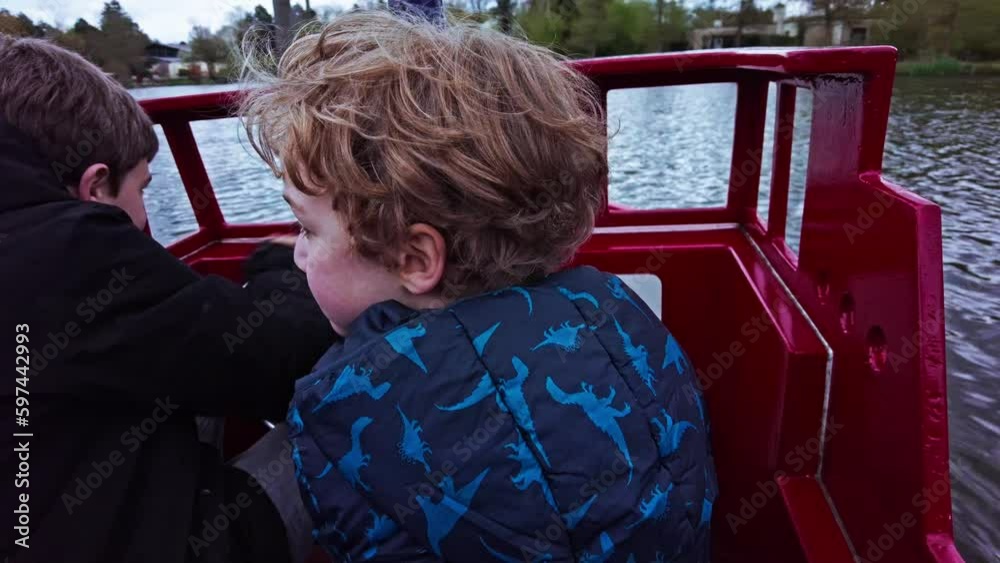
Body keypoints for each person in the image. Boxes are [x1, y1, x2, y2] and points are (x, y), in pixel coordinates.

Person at [240, 11, 717, 562]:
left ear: (416, 258)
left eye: (307, 229)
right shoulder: (619, 317)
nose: (297, 253)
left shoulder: (347, 424)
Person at [0, 36, 336, 562]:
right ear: (95, 187)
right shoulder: (65, 248)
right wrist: (282, 262)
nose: (142, 220)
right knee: (353, 419)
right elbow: (286, 355)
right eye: (144, 189)